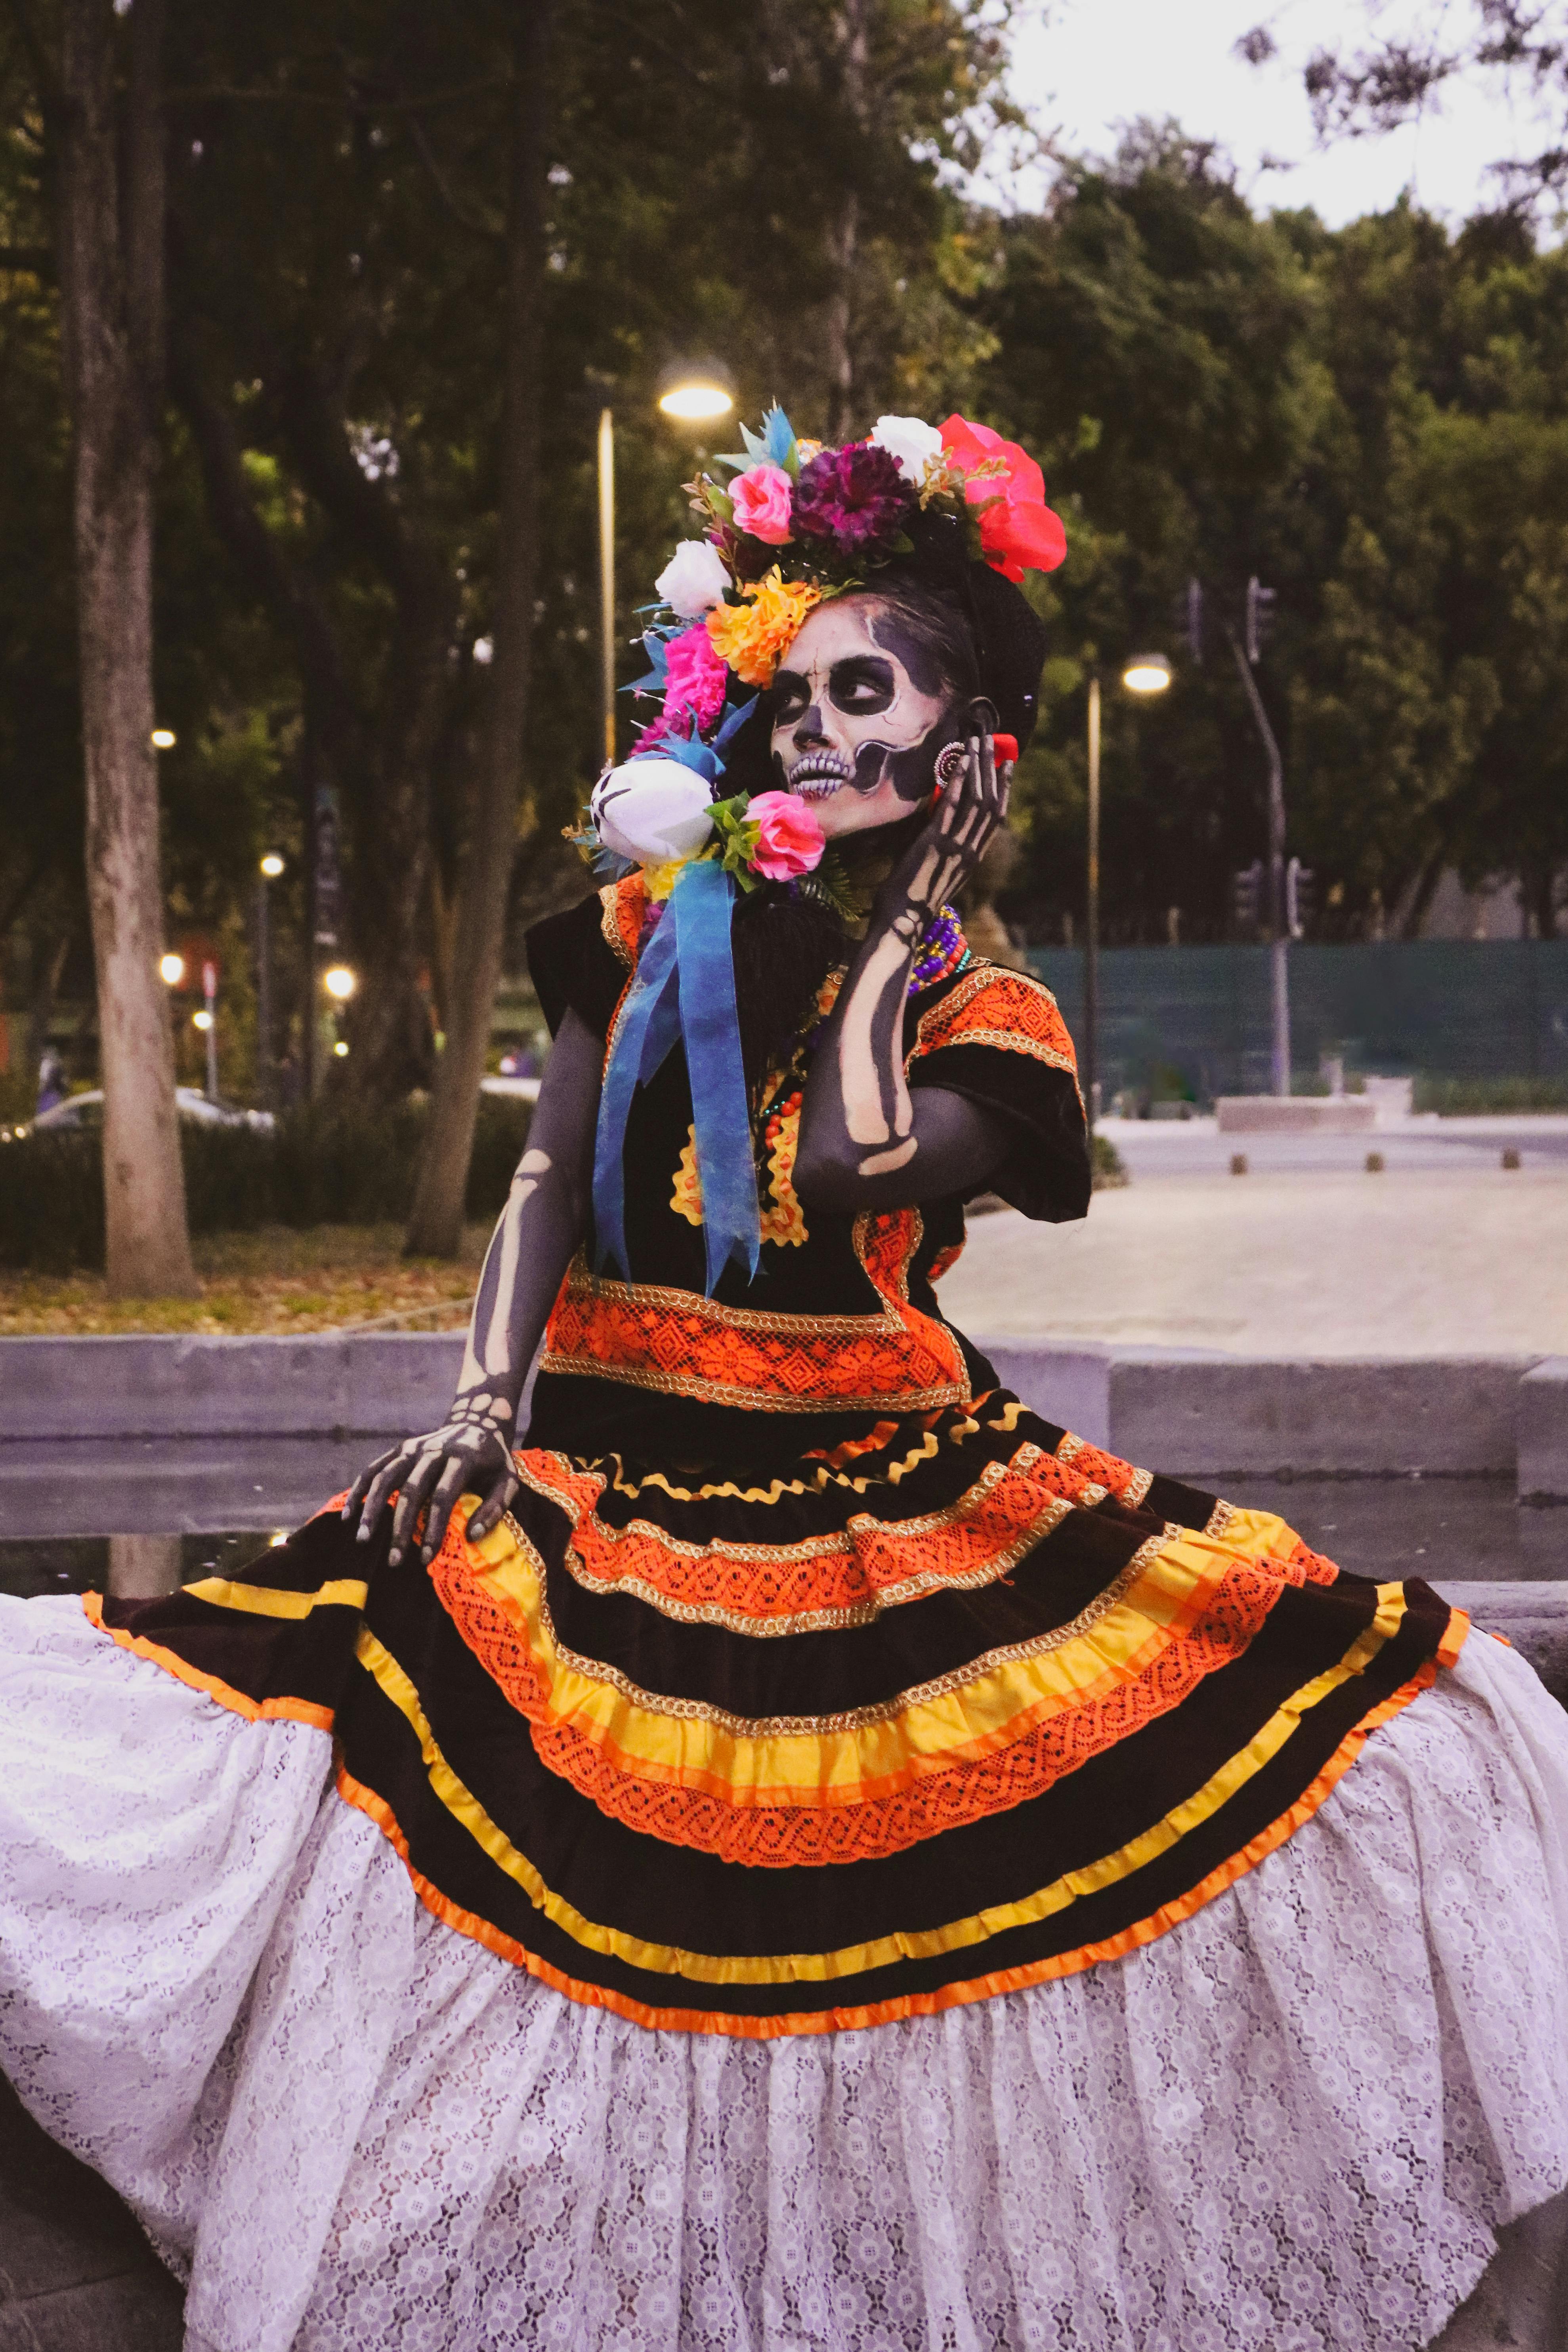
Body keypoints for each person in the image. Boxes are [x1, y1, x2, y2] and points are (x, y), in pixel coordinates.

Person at [2, 410, 1566, 2352]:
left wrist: (911, 914)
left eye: (864, 691)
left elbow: (841, 1166)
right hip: (587, 1470)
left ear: (963, 755)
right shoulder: (645, 933)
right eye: (785, 688)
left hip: (892, 1489)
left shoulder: (993, 1019)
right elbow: (551, 1175)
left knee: (1419, 1730)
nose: (812, 726)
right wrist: (486, 1397)